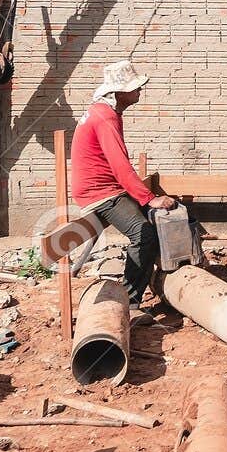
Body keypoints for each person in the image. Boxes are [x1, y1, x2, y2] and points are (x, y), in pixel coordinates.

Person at [70, 58, 177, 307]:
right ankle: (130, 301)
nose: (140, 90)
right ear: (119, 92)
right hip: (100, 192)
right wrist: (150, 199)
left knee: (150, 222)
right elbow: (120, 166)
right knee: (143, 233)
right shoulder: (106, 117)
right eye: (135, 87)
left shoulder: (104, 111)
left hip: (104, 187)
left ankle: (150, 278)